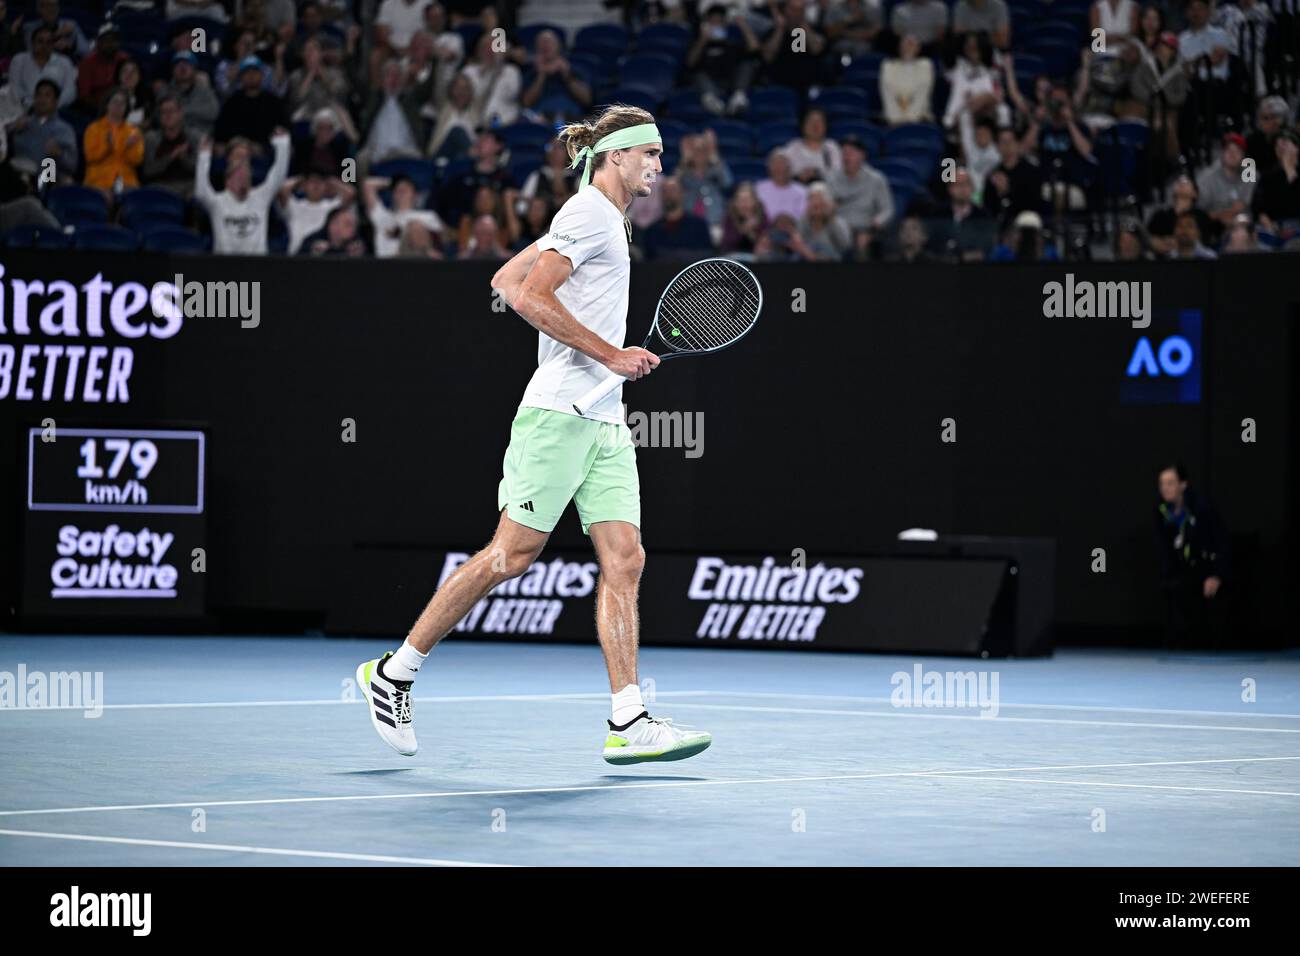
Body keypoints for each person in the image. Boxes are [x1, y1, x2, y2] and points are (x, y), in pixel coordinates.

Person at [355, 104, 712, 766]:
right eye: (652, 154)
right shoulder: (588, 216)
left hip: (604, 421)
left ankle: (627, 718)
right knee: (510, 557)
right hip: (558, 416)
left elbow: (504, 278)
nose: (660, 166)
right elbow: (526, 298)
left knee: (626, 559)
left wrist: (607, 360)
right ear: (617, 157)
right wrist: (610, 354)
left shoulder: (600, 218)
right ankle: (395, 671)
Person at [1155, 462, 1229, 649]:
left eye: (1170, 483)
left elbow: (1221, 542)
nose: (1165, 488)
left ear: (1183, 484)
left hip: (1207, 568)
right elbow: (1164, 547)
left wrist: (1216, 575)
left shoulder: (1202, 507)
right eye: (1162, 483)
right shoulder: (1162, 510)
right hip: (1182, 572)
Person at [194, 126, 291, 254]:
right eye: (239, 175)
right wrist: (204, 156)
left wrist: (282, 143)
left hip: (257, 267)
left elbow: (278, 175)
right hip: (225, 267)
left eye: (246, 175)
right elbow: (201, 192)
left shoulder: (261, 196)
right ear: (227, 182)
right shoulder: (217, 202)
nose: (244, 178)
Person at [83, 88, 145, 195]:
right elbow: (90, 157)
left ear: (126, 108)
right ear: (107, 104)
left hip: (127, 183)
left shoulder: (134, 132)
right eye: (115, 102)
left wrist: (128, 147)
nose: (118, 106)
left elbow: (137, 160)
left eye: (122, 103)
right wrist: (107, 147)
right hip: (98, 182)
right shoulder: (93, 129)